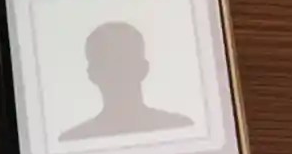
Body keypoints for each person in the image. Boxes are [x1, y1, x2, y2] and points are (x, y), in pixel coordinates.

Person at [60, 21, 193, 141]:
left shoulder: (181, 129)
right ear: (92, 74)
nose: (115, 73)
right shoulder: (72, 141)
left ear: (143, 69)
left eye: (122, 62)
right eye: (106, 63)